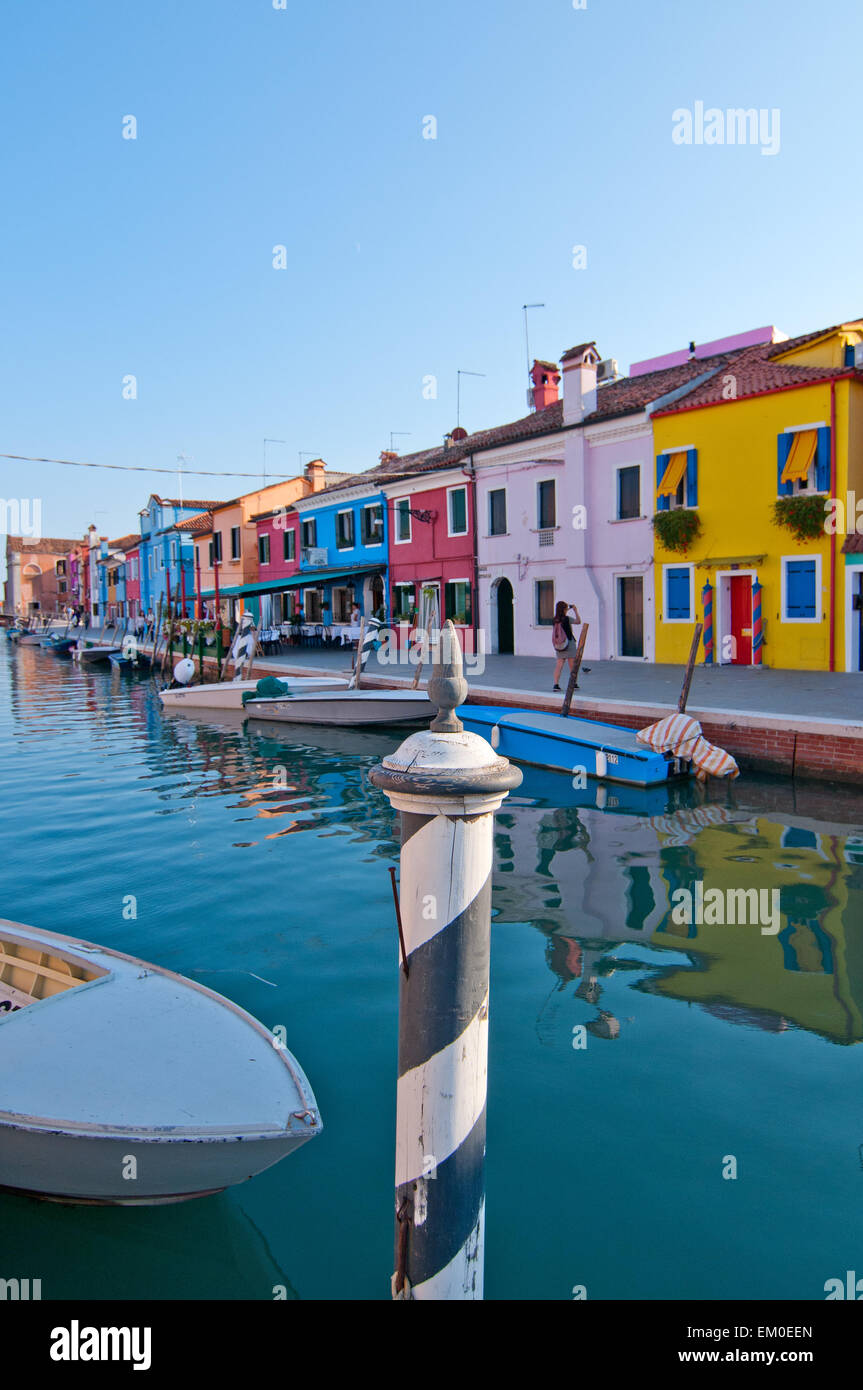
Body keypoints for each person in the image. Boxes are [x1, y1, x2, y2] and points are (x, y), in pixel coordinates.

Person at [551, 601, 591, 691]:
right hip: (569, 643)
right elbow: (578, 621)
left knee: (559, 665)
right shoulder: (567, 618)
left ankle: (556, 685)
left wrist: (565, 609)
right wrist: (575, 610)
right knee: (572, 665)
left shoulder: (554, 620)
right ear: (565, 609)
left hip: (559, 645)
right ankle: (574, 684)